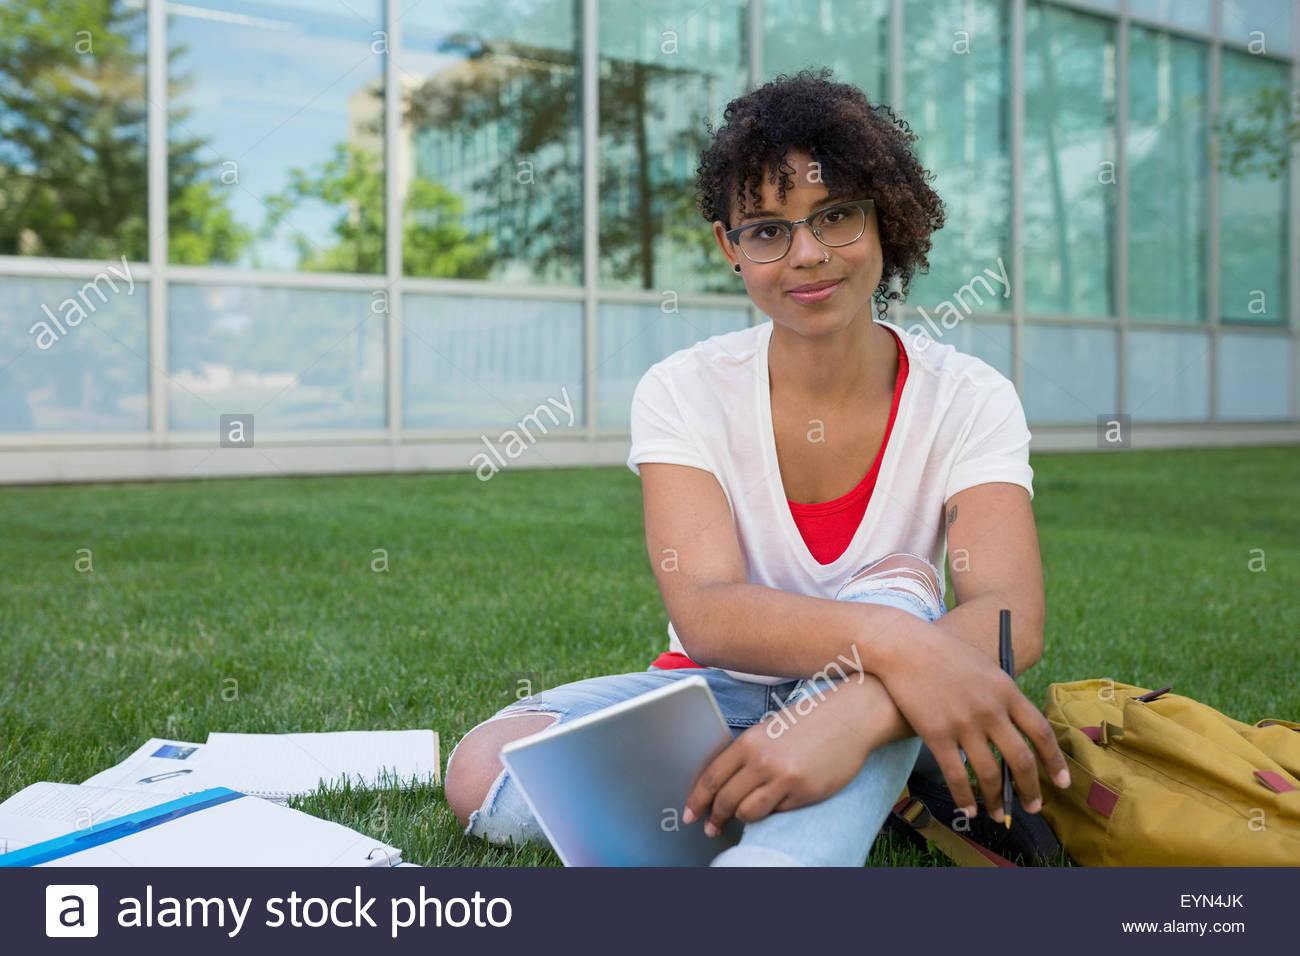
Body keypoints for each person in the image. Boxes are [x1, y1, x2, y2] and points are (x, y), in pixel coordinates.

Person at [443, 68, 1070, 866]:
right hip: (726, 692)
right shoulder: (682, 388)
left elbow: (1011, 614)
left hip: (895, 701)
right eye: (769, 230)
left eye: (836, 217)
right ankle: (826, 788)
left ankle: (786, 849)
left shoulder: (970, 395)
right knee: (485, 772)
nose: (807, 255)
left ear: (886, 221)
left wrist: (857, 707)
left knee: (905, 582)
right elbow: (705, 609)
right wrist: (891, 648)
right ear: (729, 248)